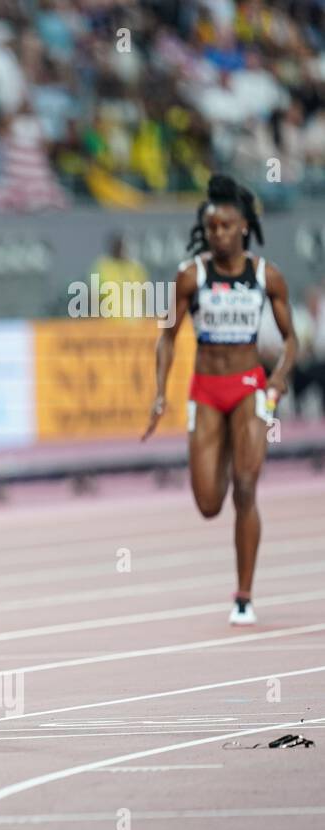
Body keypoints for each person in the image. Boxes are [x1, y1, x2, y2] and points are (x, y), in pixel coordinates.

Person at [144, 174, 297, 625]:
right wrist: (159, 392)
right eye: (211, 228)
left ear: (244, 227)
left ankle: (244, 596)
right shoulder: (191, 275)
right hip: (206, 391)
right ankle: (230, 450)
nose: (219, 235)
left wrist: (280, 377)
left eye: (227, 227)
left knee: (246, 489)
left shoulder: (266, 275)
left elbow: (291, 342)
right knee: (209, 503)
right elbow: (167, 338)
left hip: (250, 387)